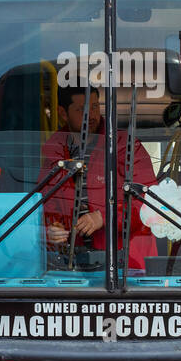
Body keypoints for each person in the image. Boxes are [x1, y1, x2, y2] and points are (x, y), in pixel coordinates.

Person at [38, 85, 157, 272]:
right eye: (81, 109)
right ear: (62, 113)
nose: (91, 115)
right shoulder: (54, 153)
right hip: (73, 271)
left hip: (127, 268)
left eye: (94, 107)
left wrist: (104, 217)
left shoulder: (125, 146)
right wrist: (50, 230)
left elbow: (150, 204)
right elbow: (44, 208)